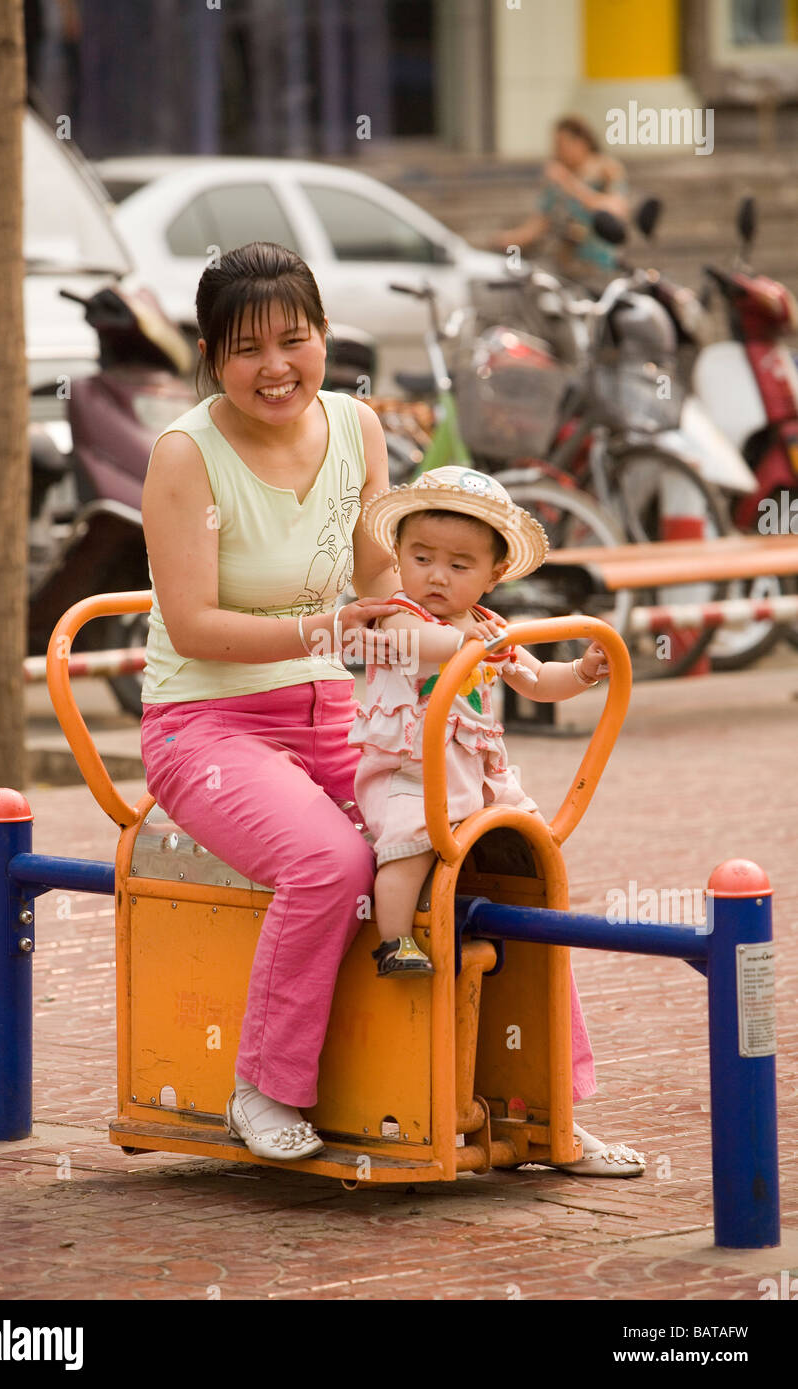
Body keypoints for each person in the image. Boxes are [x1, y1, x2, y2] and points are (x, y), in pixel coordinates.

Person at [139, 241, 403, 1164]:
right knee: (330, 861)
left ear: (325, 335)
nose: (275, 367)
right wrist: (329, 632)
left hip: (334, 711)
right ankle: (264, 1090)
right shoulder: (186, 455)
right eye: (246, 348)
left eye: (294, 339)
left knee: (478, 835)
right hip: (203, 725)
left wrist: (446, 605)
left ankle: (544, 1105)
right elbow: (197, 627)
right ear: (212, 357)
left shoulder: (360, 429)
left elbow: (378, 578)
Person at [348, 464, 645, 1176]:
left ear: (492, 574)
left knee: (537, 874)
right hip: (411, 781)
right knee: (407, 854)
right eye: (421, 559)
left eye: (458, 565)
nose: (436, 578)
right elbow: (415, 648)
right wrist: (465, 642)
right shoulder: (400, 617)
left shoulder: (490, 628)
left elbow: (536, 681)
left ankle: (552, 1111)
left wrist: (581, 672)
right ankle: (396, 943)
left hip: (479, 785)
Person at [491, 114, 630, 287]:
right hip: (566, 267)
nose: (556, 151)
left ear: (581, 142)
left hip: (601, 268)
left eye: (561, 145)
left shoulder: (606, 170)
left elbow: (614, 208)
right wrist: (509, 239)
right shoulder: (557, 181)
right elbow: (540, 222)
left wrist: (569, 183)